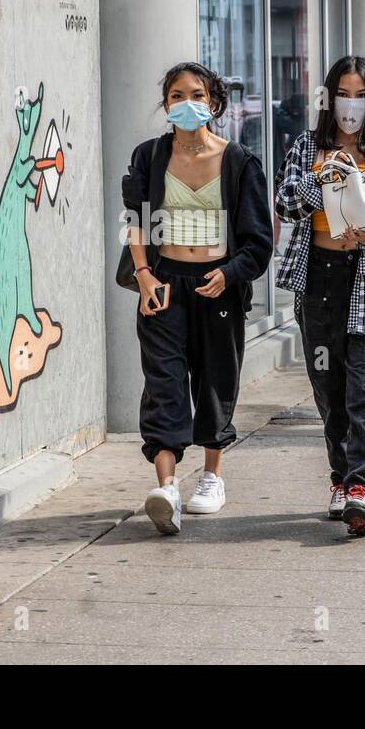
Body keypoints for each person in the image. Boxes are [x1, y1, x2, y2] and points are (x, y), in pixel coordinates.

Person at [121, 62, 272, 535]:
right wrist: (144, 275)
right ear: (165, 105)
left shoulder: (239, 162)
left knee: (215, 378)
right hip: (163, 282)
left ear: (214, 102)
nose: (187, 103)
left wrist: (228, 275)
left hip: (217, 286)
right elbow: (136, 221)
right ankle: (166, 487)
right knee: (163, 380)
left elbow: (258, 241)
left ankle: (211, 476)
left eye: (197, 94)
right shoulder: (149, 157)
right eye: (176, 96)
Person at [275, 55, 365, 536]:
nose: (350, 104)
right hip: (320, 282)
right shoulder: (308, 146)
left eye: (360, 94)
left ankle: (360, 486)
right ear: (328, 98)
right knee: (329, 390)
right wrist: (323, 174)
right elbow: (285, 204)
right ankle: (339, 476)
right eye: (342, 93)